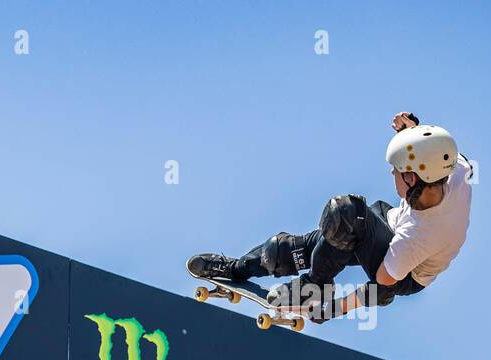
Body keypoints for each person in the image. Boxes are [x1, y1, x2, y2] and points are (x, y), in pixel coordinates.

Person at [188, 112, 473, 322]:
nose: (391, 172)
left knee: (346, 213)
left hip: (406, 275)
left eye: (396, 169)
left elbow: (383, 288)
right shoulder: (455, 170)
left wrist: (335, 309)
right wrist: (412, 130)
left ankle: (315, 287)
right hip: (392, 222)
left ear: (412, 178)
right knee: (288, 250)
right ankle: (236, 269)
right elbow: (438, 150)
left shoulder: (419, 238)